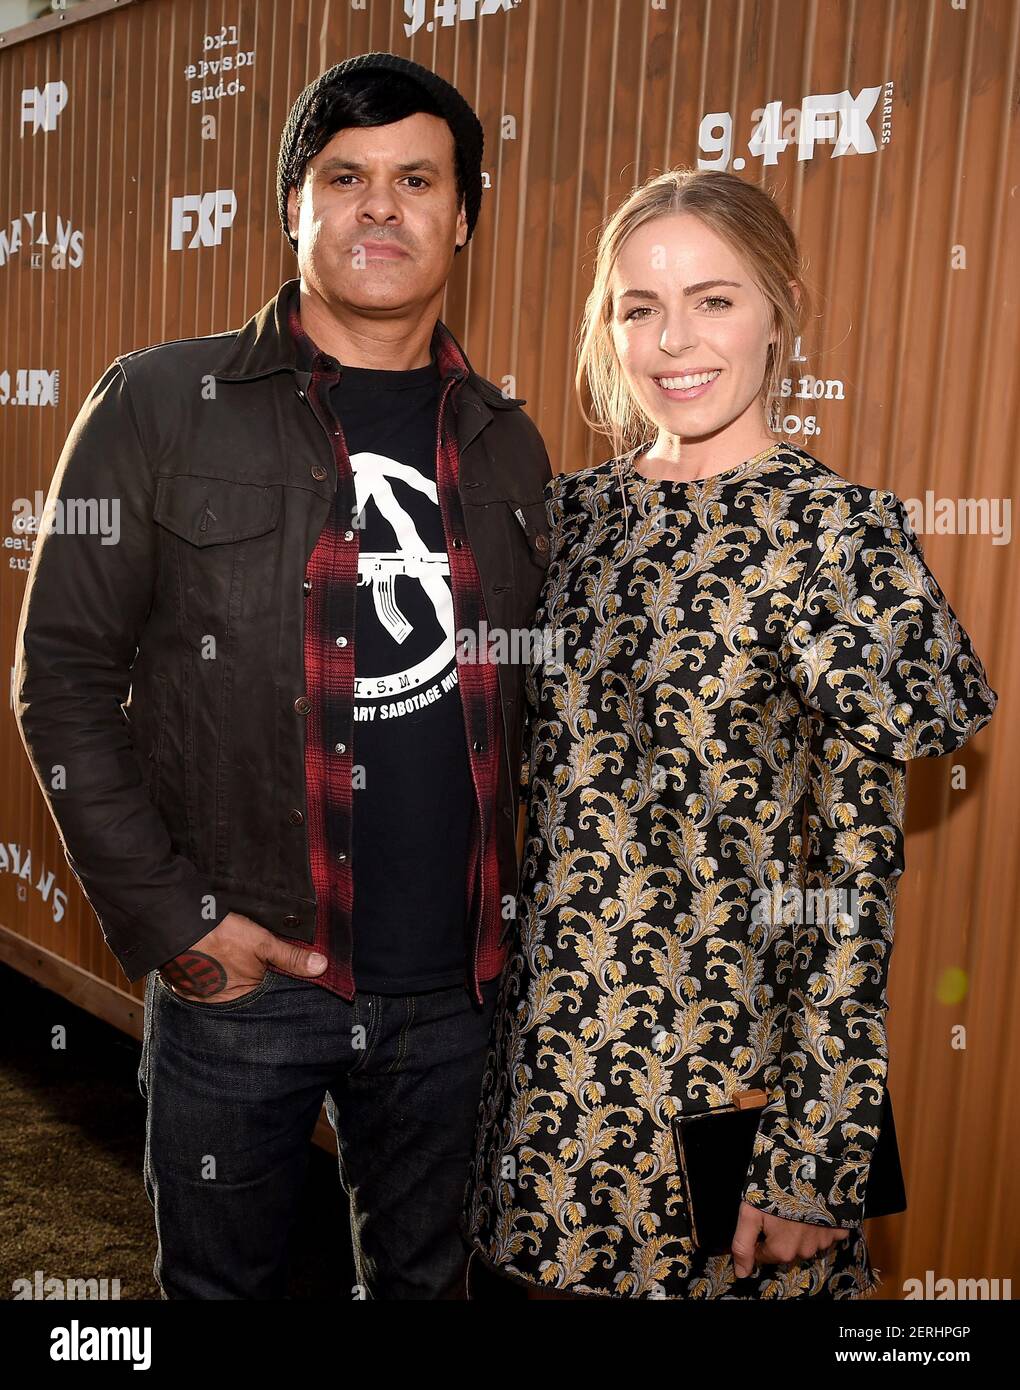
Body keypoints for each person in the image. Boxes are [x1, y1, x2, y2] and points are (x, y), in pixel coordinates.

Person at [14, 52, 552, 1300]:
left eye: (417, 179)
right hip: (245, 988)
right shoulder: (158, 404)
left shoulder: (507, 441)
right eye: (345, 176)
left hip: (456, 1004)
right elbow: (60, 681)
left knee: (430, 1290)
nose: (381, 205)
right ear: (292, 206)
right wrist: (180, 929)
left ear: (463, 214)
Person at [462, 167, 998, 1299]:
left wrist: (820, 1157)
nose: (673, 340)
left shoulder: (840, 537)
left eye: (713, 298)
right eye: (638, 307)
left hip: (734, 1108)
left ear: (779, 306)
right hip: (542, 1109)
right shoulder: (570, 518)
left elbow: (855, 878)